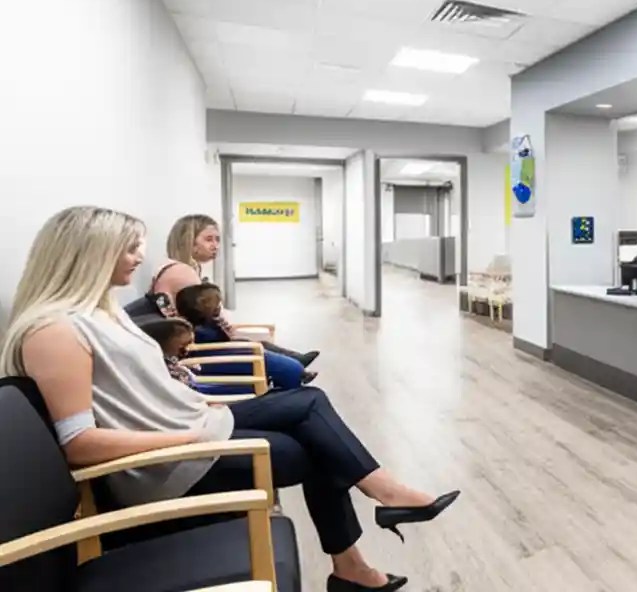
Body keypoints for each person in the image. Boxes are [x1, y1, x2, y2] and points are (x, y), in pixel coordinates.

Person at [1, 206, 461, 592]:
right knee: (316, 449)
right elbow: (79, 442)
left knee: (309, 401)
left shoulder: (100, 311)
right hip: (170, 462)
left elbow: (125, 384)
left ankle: (368, 530)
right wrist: (181, 437)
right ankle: (367, 534)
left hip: (191, 422)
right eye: (129, 247)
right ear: (87, 254)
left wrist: (173, 374)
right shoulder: (54, 332)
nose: (140, 256)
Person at [153, 214, 318, 369]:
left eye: (217, 240)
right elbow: (208, 318)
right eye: (208, 239)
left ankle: (296, 361)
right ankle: (295, 366)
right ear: (187, 241)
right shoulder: (181, 272)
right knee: (279, 362)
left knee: (258, 345)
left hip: (195, 343)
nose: (215, 246)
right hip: (192, 352)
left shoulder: (184, 268)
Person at [174, 282, 315, 388]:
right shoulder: (201, 332)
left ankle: (296, 366)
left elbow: (225, 340)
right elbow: (221, 343)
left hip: (230, 355)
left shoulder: (205, 326)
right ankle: (296, 373)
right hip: (224, 361)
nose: (219, 308)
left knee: (262, 348)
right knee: (287, 368)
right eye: (216, 305)